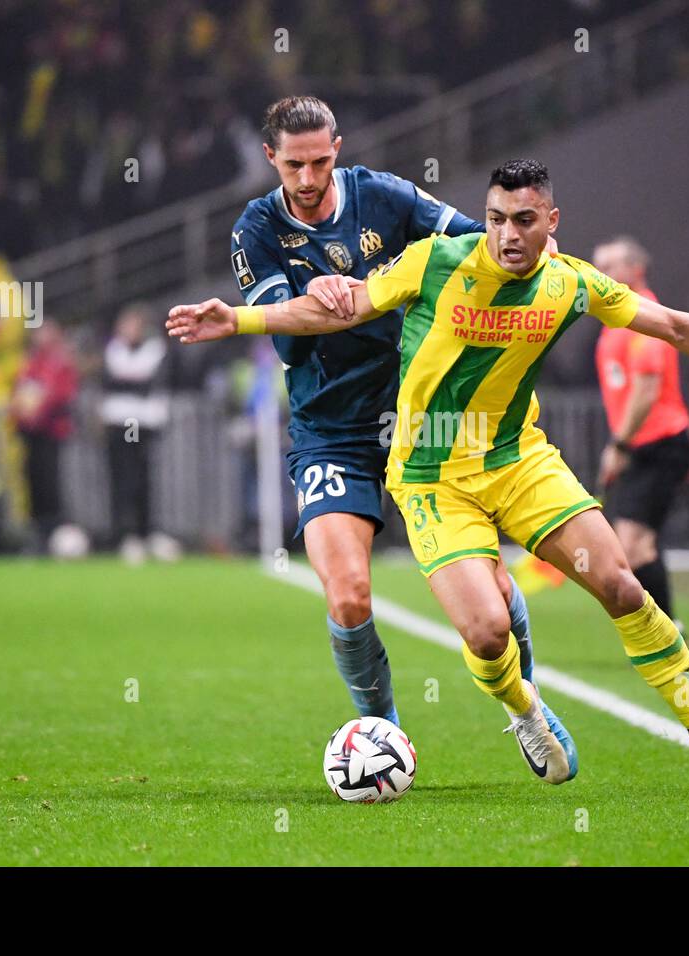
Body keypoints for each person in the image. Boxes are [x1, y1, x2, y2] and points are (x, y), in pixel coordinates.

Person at [168, 160, 689, 790]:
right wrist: (240, 320)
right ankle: (524, 708)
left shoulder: (571, 283)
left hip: (518, 461)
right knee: (488, 634)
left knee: (620, 582)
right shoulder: (434, 262)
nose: (506, 234)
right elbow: (335, 306)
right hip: (433, 479)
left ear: (550, 223)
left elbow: (674, 327)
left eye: (524, 220)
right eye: (496, 218)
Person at [226, 97, 564, 752]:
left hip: (421, 416)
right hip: (331, 427)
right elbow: (289, 342)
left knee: (492, 588)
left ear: (338, 148)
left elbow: (477, 242)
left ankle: (530, 709)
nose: (307, 177)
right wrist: (312, 300)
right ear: (271, 158)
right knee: (348, 595)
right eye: (293, 164)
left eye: (320, 160)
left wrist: (534, 253)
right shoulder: (254, 229)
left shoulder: (385, 197)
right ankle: (385, 734)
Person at [591, 236, 689, 631]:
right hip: (639, 446)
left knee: (632, 544)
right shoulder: (616, 318)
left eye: (611, 266)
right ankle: (668, 629)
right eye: (597, 266)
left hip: (660, 445)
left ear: (636, 270)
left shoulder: (646, 315)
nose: (601, 274)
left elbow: (647, 389)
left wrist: (619, 444)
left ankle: (666, 631)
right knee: (636, 543)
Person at [100, 303, 177, 563]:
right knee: (122, 480)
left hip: (143, 424)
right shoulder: (112, 351)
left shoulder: (155, 350)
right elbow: (110, 382)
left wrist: (128, 383)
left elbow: (149, 384)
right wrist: (132, 383)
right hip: (118, 424)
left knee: (144, 480)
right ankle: (125, 534)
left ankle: (146, 533)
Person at [12, 321, 79, 547]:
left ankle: (54, 533)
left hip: (51, 432)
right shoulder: (30, 362)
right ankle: (37, 532)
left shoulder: (60, 363)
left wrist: (37, 413)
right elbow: (21, 390)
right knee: (33, 482)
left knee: (52, 484)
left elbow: (60, 395)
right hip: (32, 433)